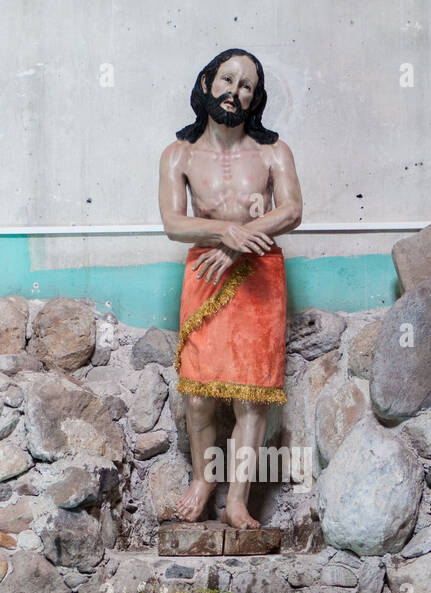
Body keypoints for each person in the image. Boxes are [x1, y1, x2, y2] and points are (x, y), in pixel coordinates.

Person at [157, 48, 303, 527]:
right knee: (198, 392)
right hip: (204, 271)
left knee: (250, 395)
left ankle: (237, 500)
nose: (234, 91)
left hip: (258, 275)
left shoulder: (272, 151)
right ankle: (203, 481)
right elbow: (175, 223)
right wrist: (225, 233)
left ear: (255, 99)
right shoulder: (178, 154)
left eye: (246, 86)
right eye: (227, 79)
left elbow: (293, 210)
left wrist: (240, 245)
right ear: (206, 83)